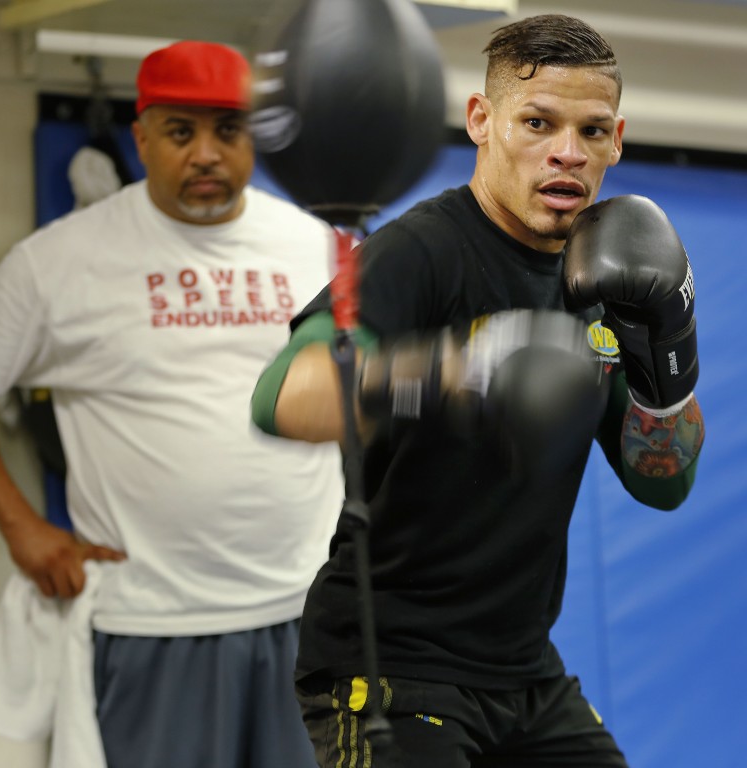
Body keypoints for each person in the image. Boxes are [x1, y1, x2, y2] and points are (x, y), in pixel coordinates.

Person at [251, 14, 705, 768]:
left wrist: (670, 361)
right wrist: (465, 369)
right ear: (481, 121)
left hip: (525, 672)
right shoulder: (422, 250)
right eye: (538, 122)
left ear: (617, 140)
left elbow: (664, 484)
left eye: (592, 132)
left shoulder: (606, 276)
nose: (567, 152)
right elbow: (282, 397)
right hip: (388, 667)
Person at [0, 40, 343, 767]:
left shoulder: (315, 246)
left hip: (309, 616)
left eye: (228, 131)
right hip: (152, 623)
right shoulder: (56, 264)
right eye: (181, 132)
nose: (207, 153)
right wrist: (22, 529)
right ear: (141, 137)